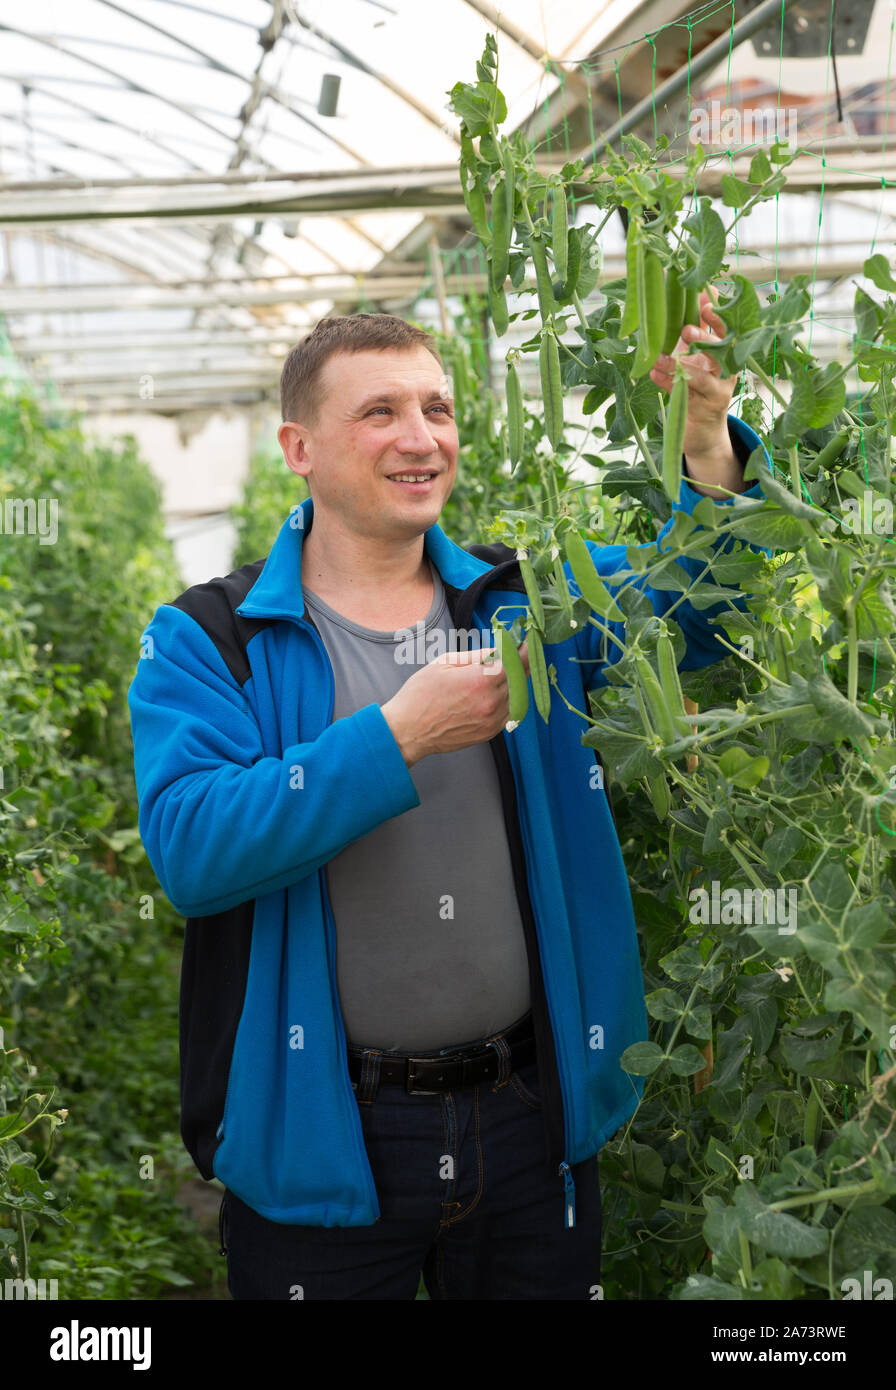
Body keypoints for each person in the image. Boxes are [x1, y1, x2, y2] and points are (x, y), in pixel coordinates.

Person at [127, 308, 769, 1300]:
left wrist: (702, 439)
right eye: (378, 412)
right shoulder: (211, 639)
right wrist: (397, 735)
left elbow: (701, 610)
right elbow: (191, 849)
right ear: (298, 448)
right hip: (324, 1125)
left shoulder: (529, 599)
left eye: (435, 407)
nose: (419, 436)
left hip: (526, 1111)